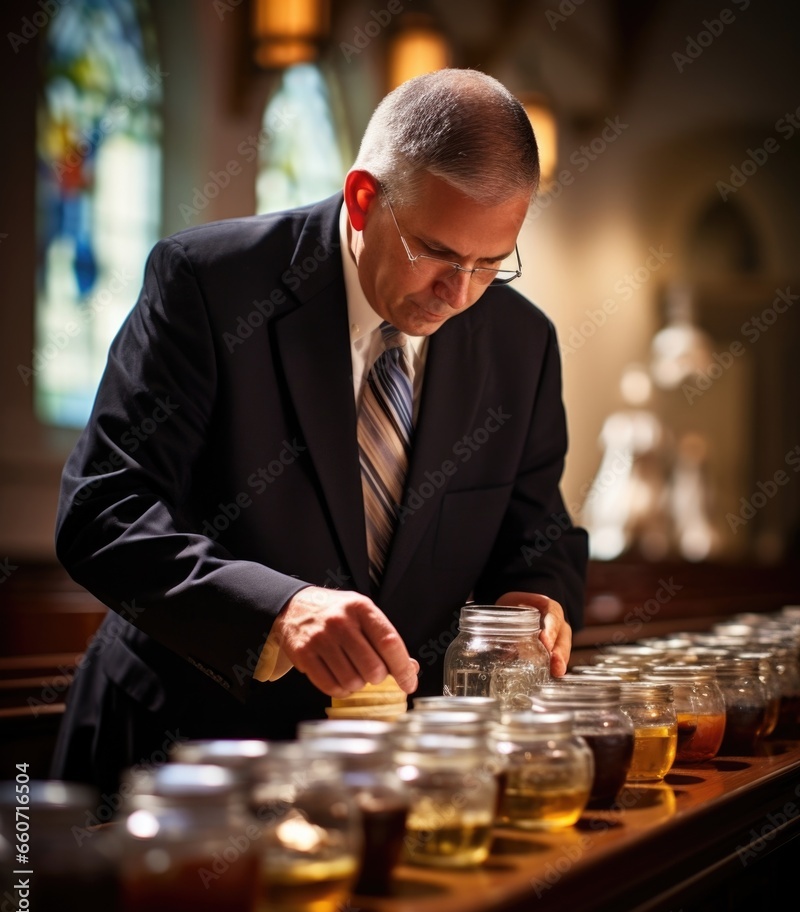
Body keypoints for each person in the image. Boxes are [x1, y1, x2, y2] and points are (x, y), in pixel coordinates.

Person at [51, 68, 589, 795]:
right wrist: (278, 611)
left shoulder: (522, 344)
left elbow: (540, 535)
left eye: (491, 263)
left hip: (384, 780)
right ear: (363, 198)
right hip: (177, 754)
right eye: (436, 252)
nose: (458, 293)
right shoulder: (209, 285)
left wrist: (536, 600)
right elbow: (103, 513)